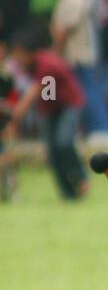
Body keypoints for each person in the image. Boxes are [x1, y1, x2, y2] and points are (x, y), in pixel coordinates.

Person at [7, 25, 88, 200]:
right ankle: (68, 192)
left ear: (29, 51)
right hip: (49, 109)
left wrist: (15, 115)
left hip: (68, 106)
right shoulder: (29, 65)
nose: (16, 58)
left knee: (64, 142)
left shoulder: (47, 63)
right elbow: (42, 93)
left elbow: (34, 91)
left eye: (19, 53)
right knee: (52, 151)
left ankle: (81, 178)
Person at [51, 0, 108, 135]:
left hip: (80, 55)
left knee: (87, 92)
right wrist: (56, 53)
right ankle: (101, 128)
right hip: (77, 56)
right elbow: (64, 29)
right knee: (88, 92)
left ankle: (96, 128)